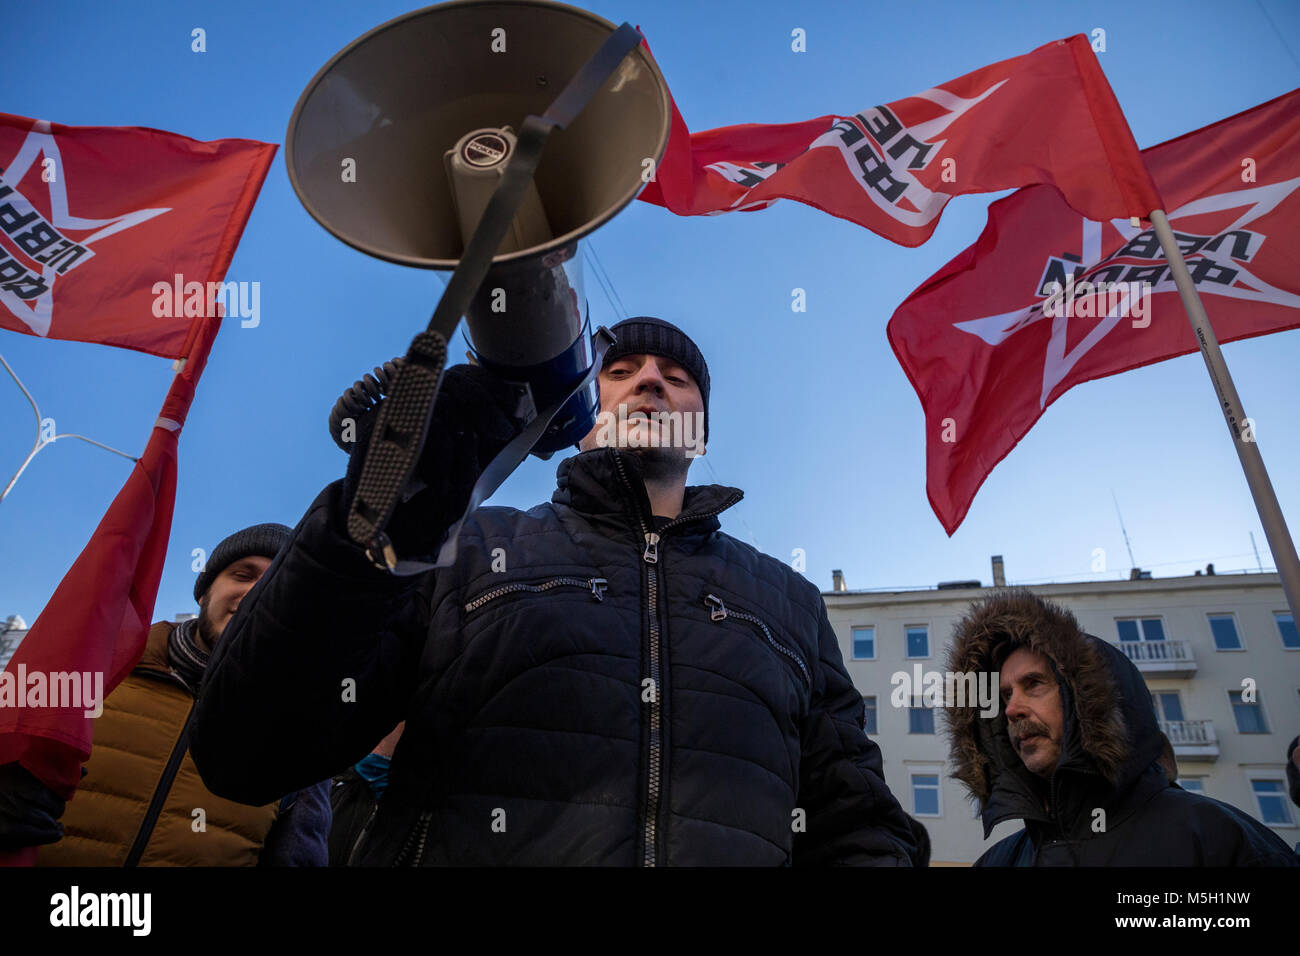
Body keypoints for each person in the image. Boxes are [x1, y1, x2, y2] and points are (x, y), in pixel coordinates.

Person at [192, 316, 918, 866]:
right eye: (621, 369)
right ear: (578, 418)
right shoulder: (468, 548)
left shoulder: (788, 600)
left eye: (676, 374)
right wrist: (369, 529)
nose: (650, 380)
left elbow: (855, 822)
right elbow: (249, 752)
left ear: (701, 432)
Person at [17, 524, 332, 866]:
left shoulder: (300, 733)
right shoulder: (95, 672)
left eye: (279, 585)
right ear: (204, 592)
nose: (256, 594)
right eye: (243, 575)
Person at [946, 588, 1297, 866]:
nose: (1011, 709)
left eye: (1034, 684)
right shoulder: (998, 861)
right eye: (1005, 695)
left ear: (1090, 700)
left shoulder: (1217, 839)